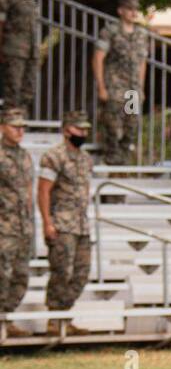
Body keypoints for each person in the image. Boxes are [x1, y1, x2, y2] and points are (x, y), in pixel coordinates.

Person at [37, 109, 94, 336]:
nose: (83, 133)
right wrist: (47, 223)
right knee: (61, 271)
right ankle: (55, 318)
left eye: (85, 129)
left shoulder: (86, 159)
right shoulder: (53, 156)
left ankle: (64, 314)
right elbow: (43, 191)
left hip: (81, 224)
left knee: (81, 272)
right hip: (62, 223)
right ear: (66, 130)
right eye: (78, 129)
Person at [93, 0, 149, 164]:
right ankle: (111, 155)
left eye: (135, 10)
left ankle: (123, 156)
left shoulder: (141, 34)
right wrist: (101, 86)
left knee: (131, 123)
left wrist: (141, 88)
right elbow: (98, 58)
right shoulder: (110, 31)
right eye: (130, 9)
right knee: (112, 122)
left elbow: (142, 63)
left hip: (132, 89)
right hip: (114, 85)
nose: (133, 13)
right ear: (121, 11)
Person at [0, 106, 34, 336]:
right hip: (4, 225)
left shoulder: (25, 156)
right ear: (3, 128)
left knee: (21, 276)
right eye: (15, 126)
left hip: (22, 226)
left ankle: (6, 319)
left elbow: (29, 190)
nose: (20, 131)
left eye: (23, 127)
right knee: (2, 274)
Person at [0, 0, 40, 114]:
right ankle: (10, 122)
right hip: (14, 49)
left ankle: (20, 119)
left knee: (29, 90)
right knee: (13, 89)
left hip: (31, 51)